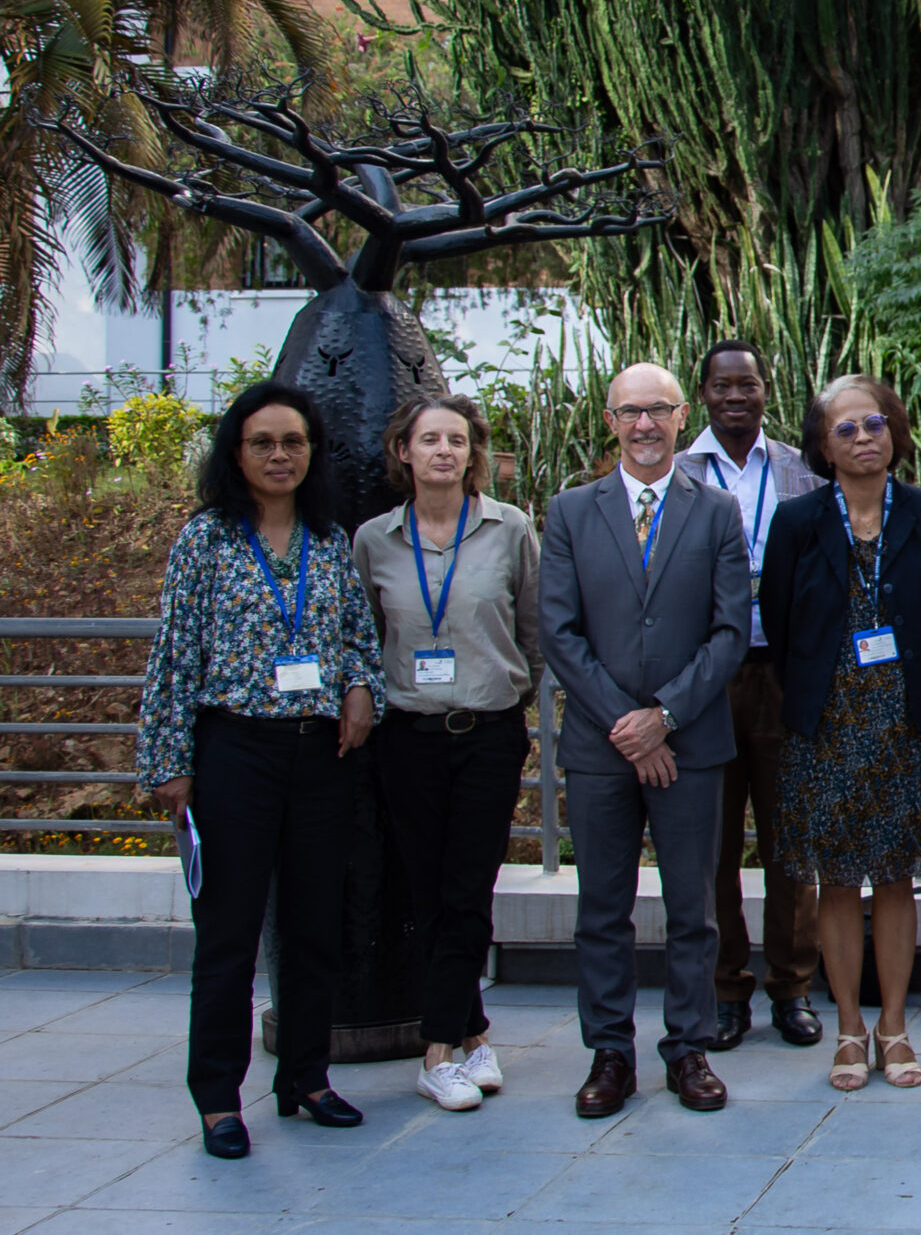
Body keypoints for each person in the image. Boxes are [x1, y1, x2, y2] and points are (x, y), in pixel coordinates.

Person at [138, 381, 383, 1159]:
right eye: (262, 443)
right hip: (234, 752)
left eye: (293, 442)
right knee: (230, 937)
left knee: (315, 927)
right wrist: (171, 764)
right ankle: (217, 1098)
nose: (280, 456)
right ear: (236, 453)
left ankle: (305, 1079)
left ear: (312, 453)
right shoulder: (206, 540)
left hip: (320, 754)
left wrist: (358, 691)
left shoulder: (326, 539)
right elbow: (174, 658)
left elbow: (357, 641)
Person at [540, 362, 751, 1119]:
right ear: (609, 419)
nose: (644, 426)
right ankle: (610, 1054)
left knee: (693, 906)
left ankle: (689, 1049)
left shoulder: (717, 510)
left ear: (680, 415)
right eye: (630, 412)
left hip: (691, 743)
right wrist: (630, 728)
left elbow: (730, 632)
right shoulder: (570, 512)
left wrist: (664, 715)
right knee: (602, 906)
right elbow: (559, 633)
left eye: (658, 410)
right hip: (601, 749)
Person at [760, 377, 921, 1092]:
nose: (862, 438)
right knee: (837, 881)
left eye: (874, 423)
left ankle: (896, 1026)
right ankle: (849, 1029)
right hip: (826, 725)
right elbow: (780, 626)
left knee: (898, 878)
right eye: (844, 429)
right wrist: (823, 687)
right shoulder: (796, 522)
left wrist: (914, 679)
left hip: (904, 721)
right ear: (821, 444)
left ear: (895, 432)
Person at [352, 395, 543, 1113]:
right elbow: (364, 638)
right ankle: (471, 1034)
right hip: (408, 736)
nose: (443, 452)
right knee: (428, 892)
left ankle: (435, 1053)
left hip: (488, 732)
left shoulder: (508, 528)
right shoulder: (376, 540)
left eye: (456, 441)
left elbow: (533, 629)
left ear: (473, 454)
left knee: (469, 887)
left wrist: (510, 689)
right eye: (429, 439)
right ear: (404, 451)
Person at [678, 339, 828, 1052]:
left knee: (790, 839)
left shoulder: (799, 471)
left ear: (767, 391)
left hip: (785, 670)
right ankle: (725, 987)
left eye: (748, 385)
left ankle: (793, 988)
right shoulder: (679, 474)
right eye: (721, 386)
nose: (736, 397)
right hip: (706, 673)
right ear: (702, 394)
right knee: (711, 844)